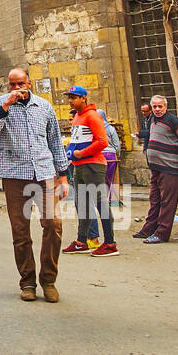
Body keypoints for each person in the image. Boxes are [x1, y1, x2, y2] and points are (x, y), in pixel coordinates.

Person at [0, 68, 69, 302]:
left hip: (44, 173)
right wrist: (6, 106)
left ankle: (48, 280)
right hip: (15, 175)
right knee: (20, 232)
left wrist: (64, 175)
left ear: (29, 83)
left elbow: (55, 142)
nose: (17, 88)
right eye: (12, 84)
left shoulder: (44, 106)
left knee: (53, 225)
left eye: (20, 83)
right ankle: (27, 282)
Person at [62, 86, 117, 257]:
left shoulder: (92, 116)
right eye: (69, 97)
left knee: (101, 203)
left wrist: (82, 153)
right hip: (79, 165)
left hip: (93, 165)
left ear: (84, 98)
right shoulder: (78, 116)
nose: (71, 100)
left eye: (74, 97)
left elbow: (102, 141)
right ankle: (81, 241)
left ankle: (110, 243)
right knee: (83, 204)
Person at [133, 95, 178, 243]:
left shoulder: (173, 121)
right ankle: (149, 228)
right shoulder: (153, 120)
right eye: (154, 106)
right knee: (155, 200)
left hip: (170, 169)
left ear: (166, 107)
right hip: (156, 168)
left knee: (167, 202)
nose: (157, 109)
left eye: (160, 106)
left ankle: (162, 233)